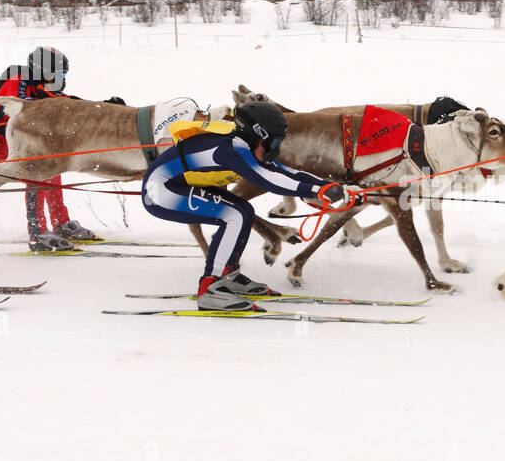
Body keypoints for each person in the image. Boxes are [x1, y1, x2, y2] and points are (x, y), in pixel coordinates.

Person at [141, 102, 356, 310]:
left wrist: (324, 185)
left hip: (175, 185)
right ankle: (210, 287)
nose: (275, 149)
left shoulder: (244, 145)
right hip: (160, 191)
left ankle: (228, 274)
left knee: (243, 212)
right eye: (273, 143)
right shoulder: (231, 151)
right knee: (234, 215)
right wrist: (314, 191)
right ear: (258, 135)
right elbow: (267, 179)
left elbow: (283, 172)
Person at [0, 46, 122, 251]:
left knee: (51, 166)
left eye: (64, 75)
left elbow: (67, 104)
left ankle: (60, 223)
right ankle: (37, 232)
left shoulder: (41, 88)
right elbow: (30, 109)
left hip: (10, 144)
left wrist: (103, 108)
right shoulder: (17, 82)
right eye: (58, 74)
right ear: (41, 71)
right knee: (35, 170)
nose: (62, 80)